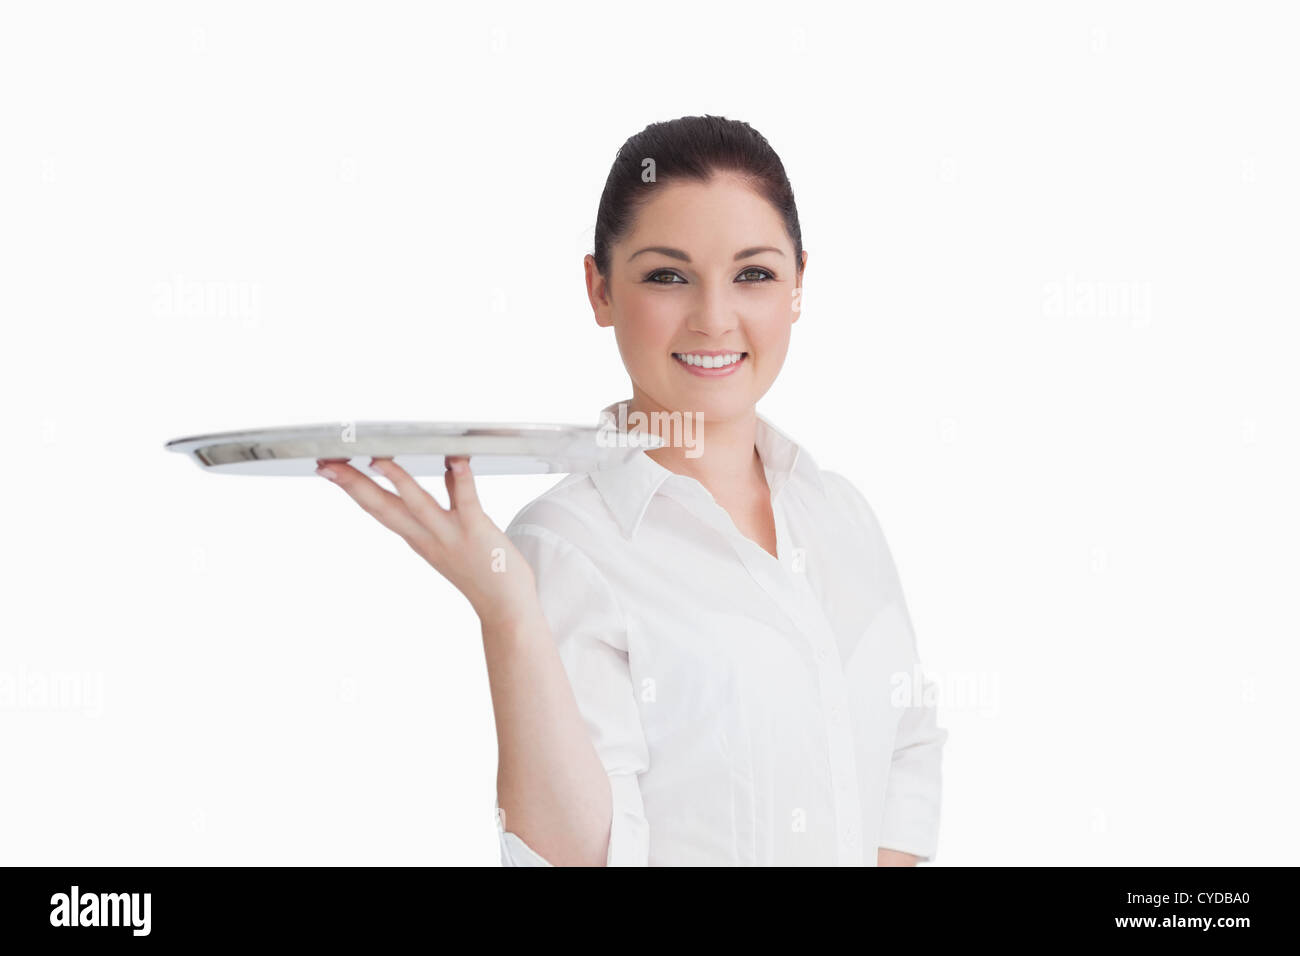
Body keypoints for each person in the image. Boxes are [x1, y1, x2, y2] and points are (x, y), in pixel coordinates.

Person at [314, 114, 948, 866]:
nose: (715, 318)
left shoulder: (842, 513)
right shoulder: (567, 546)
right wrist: (507, 611)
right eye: (667, 276)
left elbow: (907, 753)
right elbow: (581, 857)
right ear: (600, 289)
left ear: (799, 282)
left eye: (754, 273)